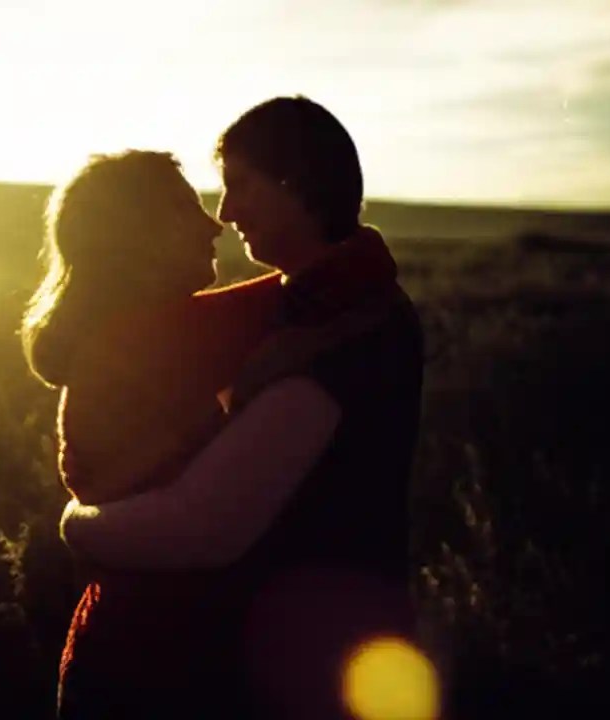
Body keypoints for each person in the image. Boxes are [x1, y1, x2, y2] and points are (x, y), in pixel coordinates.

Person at [60, 96, 427, 719]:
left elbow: (207, 526)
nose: (224, 215)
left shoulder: (337, 333)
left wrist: (77, 525)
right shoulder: (311, 307)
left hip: (316, 655)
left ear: (296, 183)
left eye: (239, 187)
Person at [20, 149, 288, 719]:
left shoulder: (125, 334)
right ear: (133, 236)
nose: (212, 224)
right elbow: (312, 289)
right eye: (184, 208)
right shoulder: (153, 337)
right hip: (153, 670)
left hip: (127, 655)